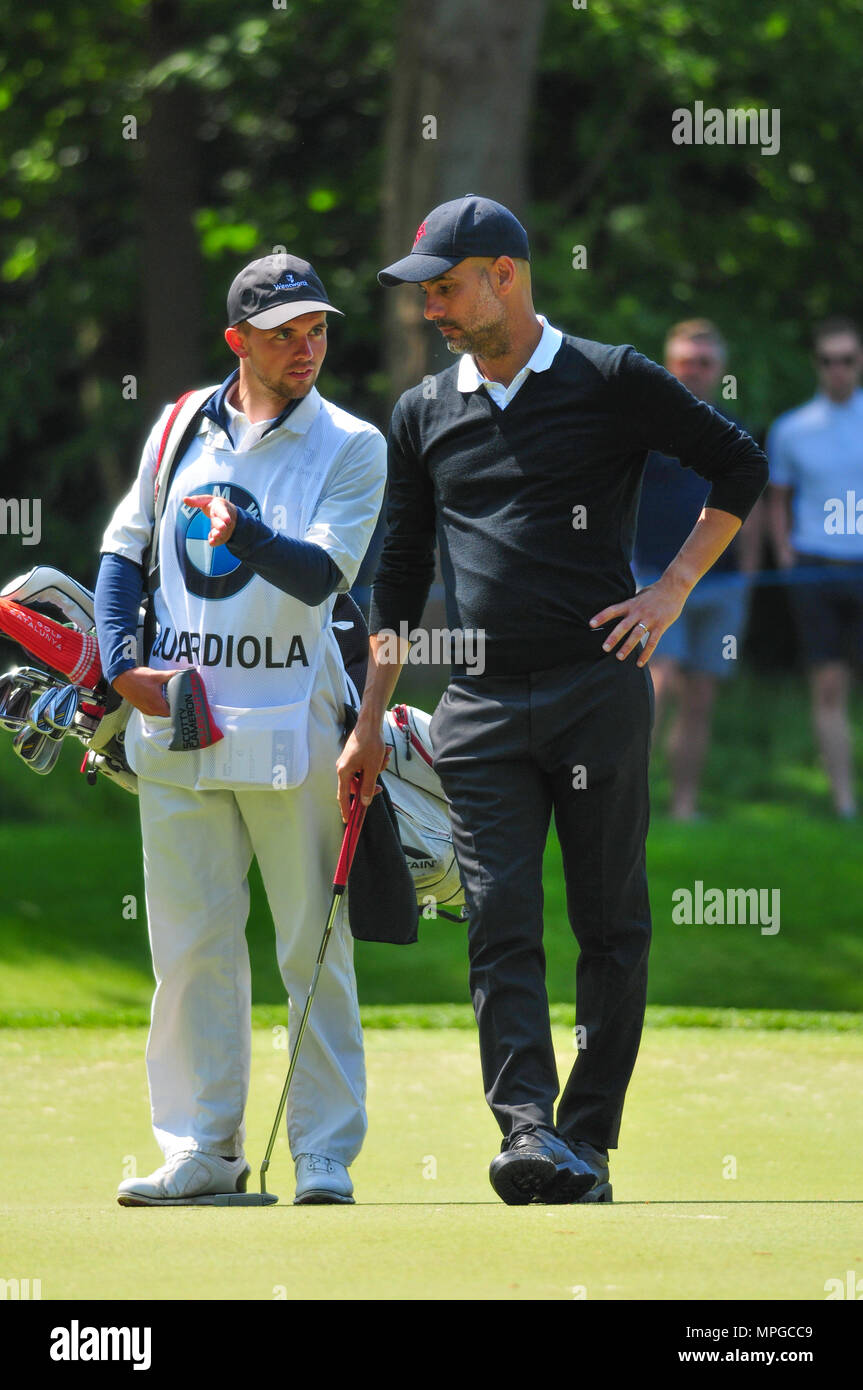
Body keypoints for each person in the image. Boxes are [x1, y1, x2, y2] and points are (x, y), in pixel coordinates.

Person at [337, 195, 768, 1205]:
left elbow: (737, 462)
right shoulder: (421, 411)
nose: (431, 308)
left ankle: (586, 1136)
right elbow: (397, 573)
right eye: (423, 291)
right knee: (496, 916)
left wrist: (669, 590)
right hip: (476, 707)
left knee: (609, 921)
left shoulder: (609, 378)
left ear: (504, 273)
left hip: (594, 689)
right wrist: (367, 726)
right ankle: (526, 1129)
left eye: (444, 286)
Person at [94, 253, 386, 1205]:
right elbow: (125, 548)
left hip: (294, 723)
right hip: (177, 723)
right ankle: (200, 1149)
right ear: (237, 342)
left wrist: (245, 533)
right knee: (187, 949)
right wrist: (116, 664)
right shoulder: (179, 423)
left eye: (317, 331)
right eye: (281, 335)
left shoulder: (350, 442)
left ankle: (326, 1155)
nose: (305, 349)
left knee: (311, 948)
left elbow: (320, 576)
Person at [633, 319, 763, 820]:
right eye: (685, 360)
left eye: (704, 362)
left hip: (723, 582)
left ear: (720, 369)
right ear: (670, 363)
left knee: (701, 696)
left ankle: (684, 806)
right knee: (656, 688)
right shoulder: (646, 428)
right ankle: (635, 805)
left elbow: (751, 509)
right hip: (654, 579)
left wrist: (749, 576)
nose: (694, 371)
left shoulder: (736, 432)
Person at [767, 315, 863, 819]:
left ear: (859, 361)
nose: (838, 370)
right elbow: (777, 498)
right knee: (827, 686)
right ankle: (844, 801)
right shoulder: (792, 428)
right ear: (817, 365)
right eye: (829, 361)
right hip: (814, 568)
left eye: (847, 360)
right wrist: (785, 556)